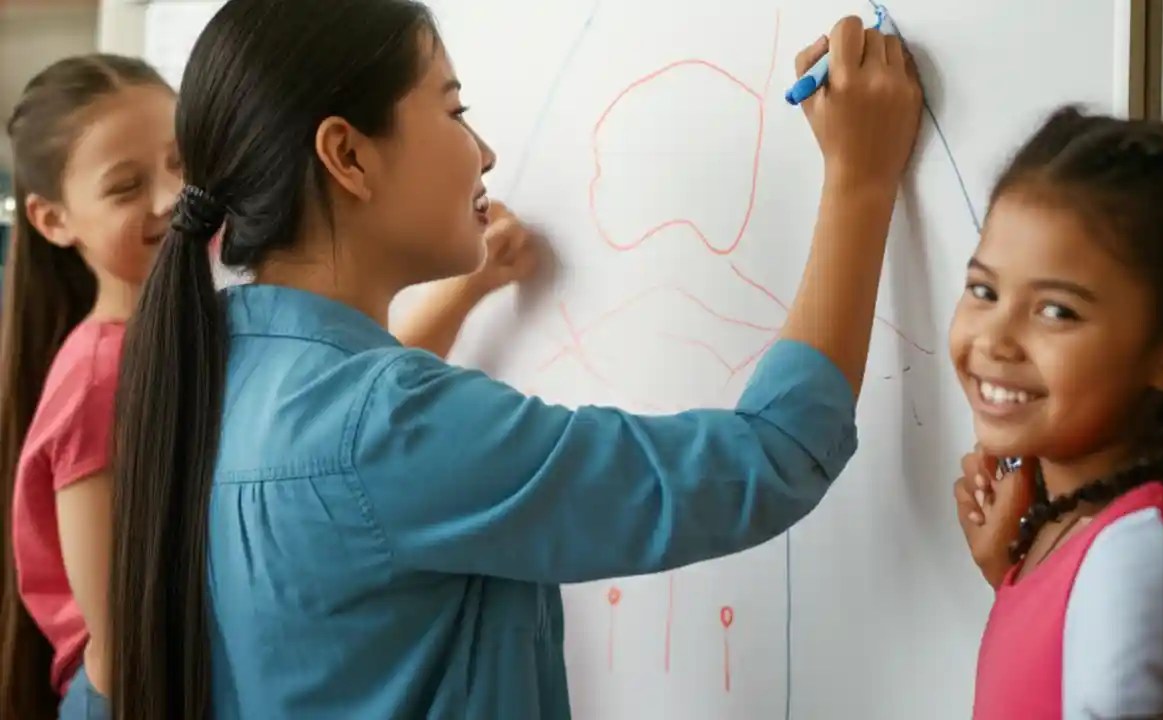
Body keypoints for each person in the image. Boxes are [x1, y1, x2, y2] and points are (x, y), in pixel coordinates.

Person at [108, 0, 924, 717]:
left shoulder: (216, 372)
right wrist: (859, 180)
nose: (487, 152)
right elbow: (770, 457)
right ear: (348, 157)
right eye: (455, 110)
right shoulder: (387, 424)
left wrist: (470, 292)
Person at [952, 108, 1163, 718]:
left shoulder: (1134, 555)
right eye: (984, 291)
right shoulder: (1075, 532)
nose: (995, 339)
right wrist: (1009, 573)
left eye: (1057, 312)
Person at [0, 55, 179, 719]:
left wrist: (464, 290)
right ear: (53, 220)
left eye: (184, 161)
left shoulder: (200, 324)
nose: (173, 196)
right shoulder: (100, 376)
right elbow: (118, 642)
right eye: (127, 186)